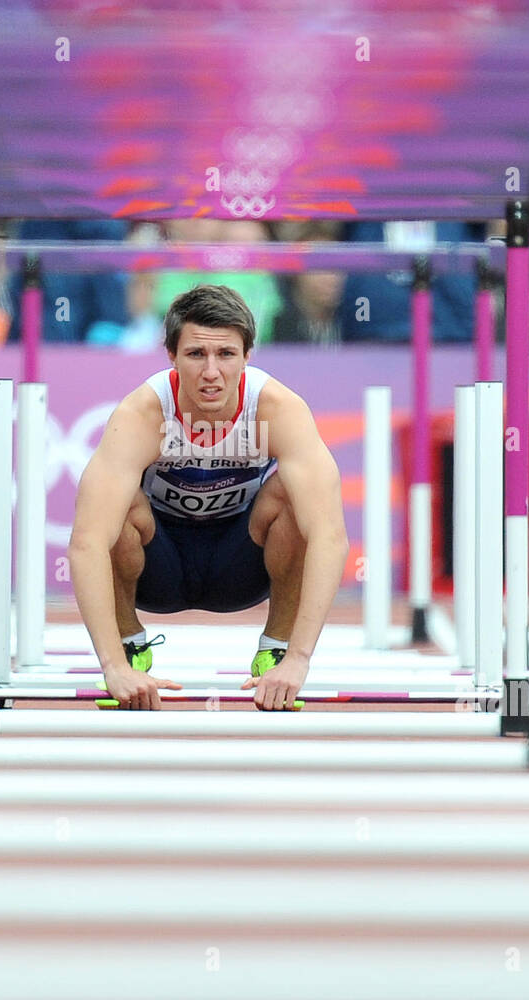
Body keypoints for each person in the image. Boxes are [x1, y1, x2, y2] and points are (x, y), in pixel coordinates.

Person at [68, 283, 349, 710]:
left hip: (242, 566)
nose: (211, 372)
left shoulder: (277, 408)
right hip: (155, 569)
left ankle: (274, 650)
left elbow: (328, 537)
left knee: (296, 500)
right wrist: (111, 667)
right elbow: (87, 542)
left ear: (247, 357)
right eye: (196, 355)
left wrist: (299, 659)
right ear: (172, 358)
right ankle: (129, 649)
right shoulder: (142, 413)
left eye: (226, 355)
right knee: (116, 508)